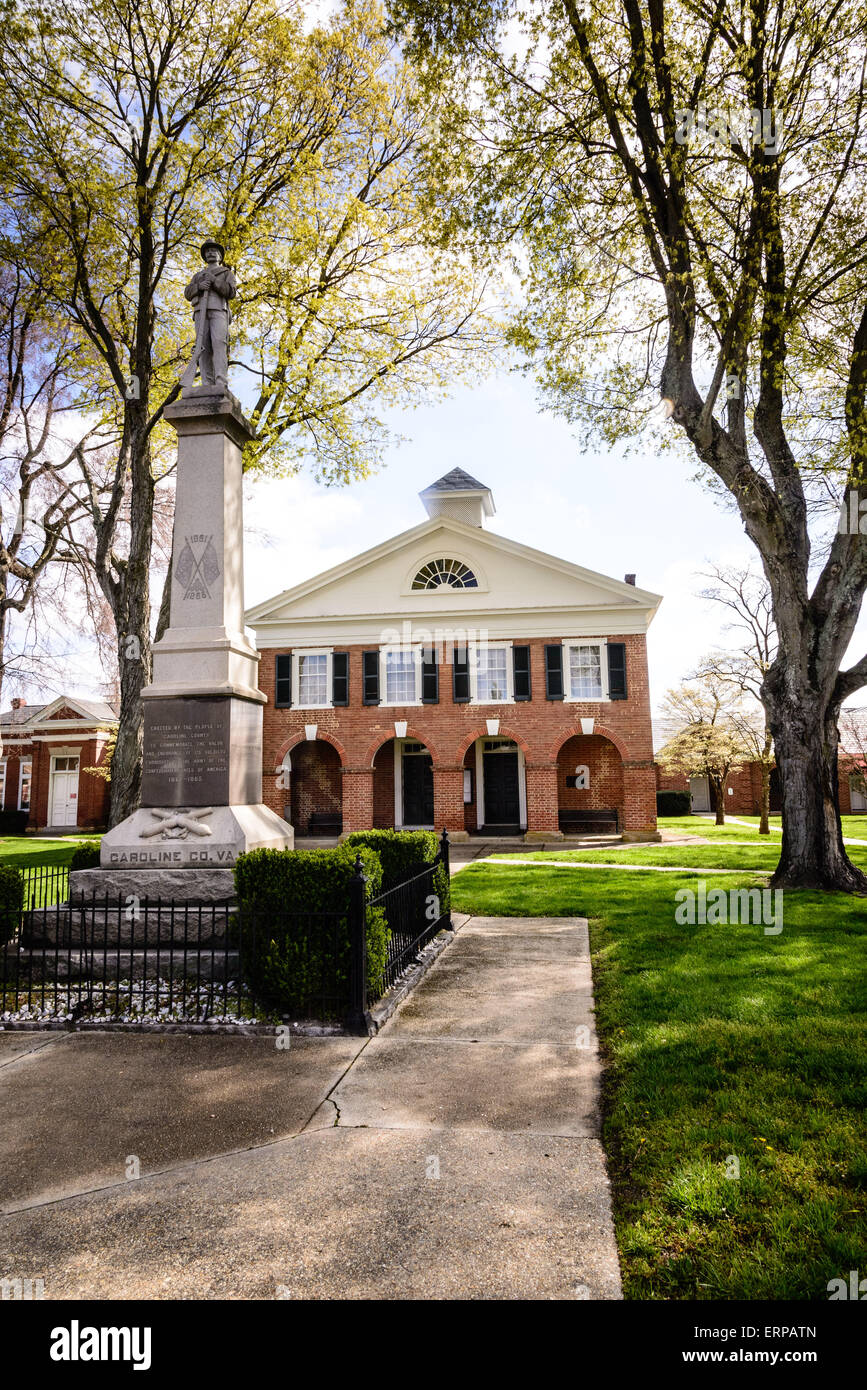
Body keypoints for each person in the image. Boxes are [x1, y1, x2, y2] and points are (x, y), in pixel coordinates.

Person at [182, 239, 237, 388]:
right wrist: (199, 287)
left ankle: (220, 381)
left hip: (219, 310)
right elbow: (187, 292)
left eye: (214, 251)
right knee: (202, 346)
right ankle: (207, 383)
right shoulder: (198, 275)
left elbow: (231, 292)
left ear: (220, 256)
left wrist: (214, 281)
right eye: (208, 251)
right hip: (200, 311)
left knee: (219, 343)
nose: (211, 253)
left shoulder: (226, 273)